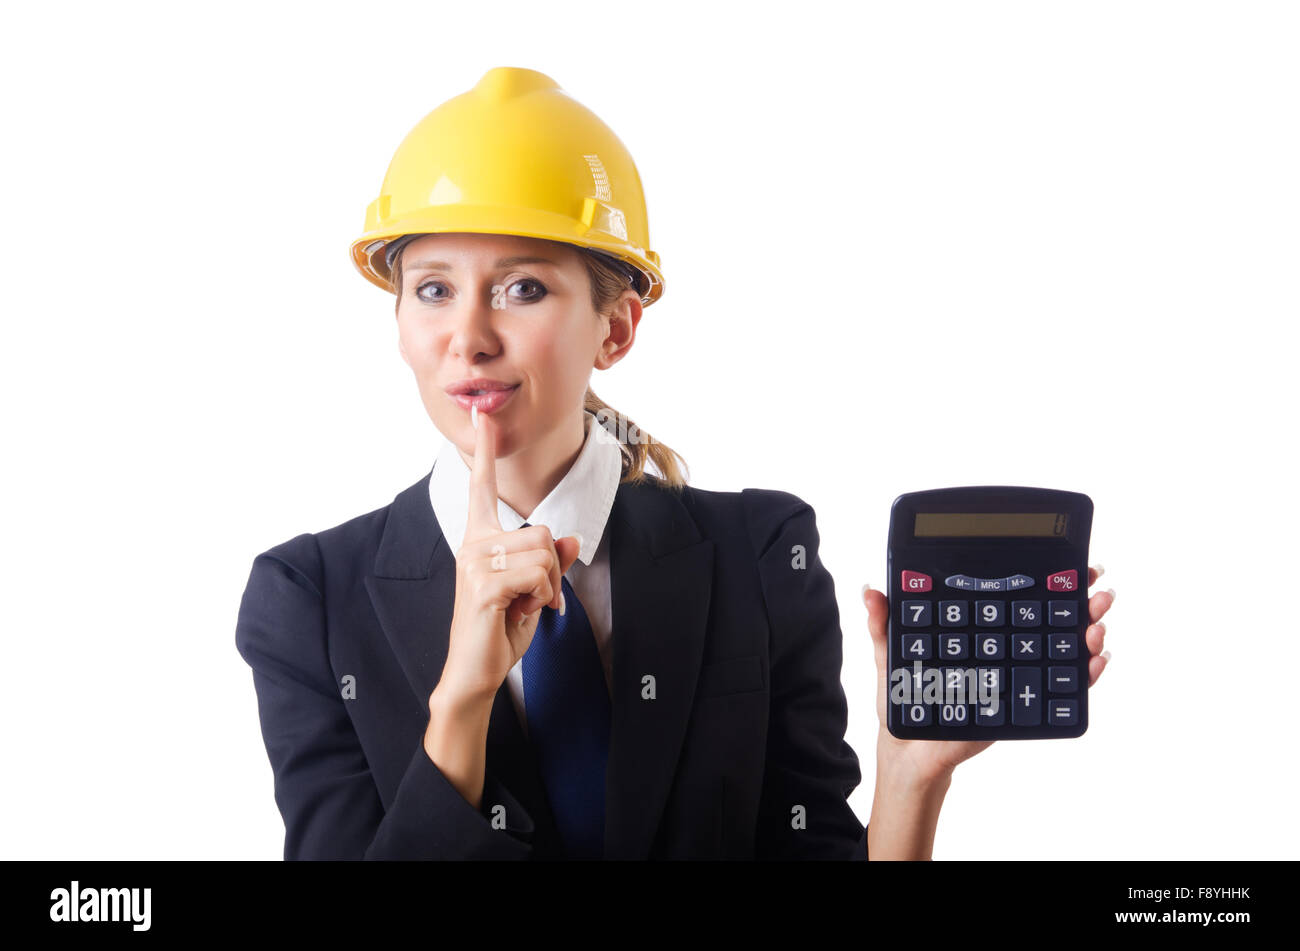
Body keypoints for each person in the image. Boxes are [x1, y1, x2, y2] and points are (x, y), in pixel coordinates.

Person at [234, 66, 1115, 861]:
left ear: (614, 329)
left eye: (523, 287)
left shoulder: (762, 556)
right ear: (399, 323)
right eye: (433, 289)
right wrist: (460, 703)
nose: (469, 336)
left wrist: (909, 776)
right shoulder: (307, 599)